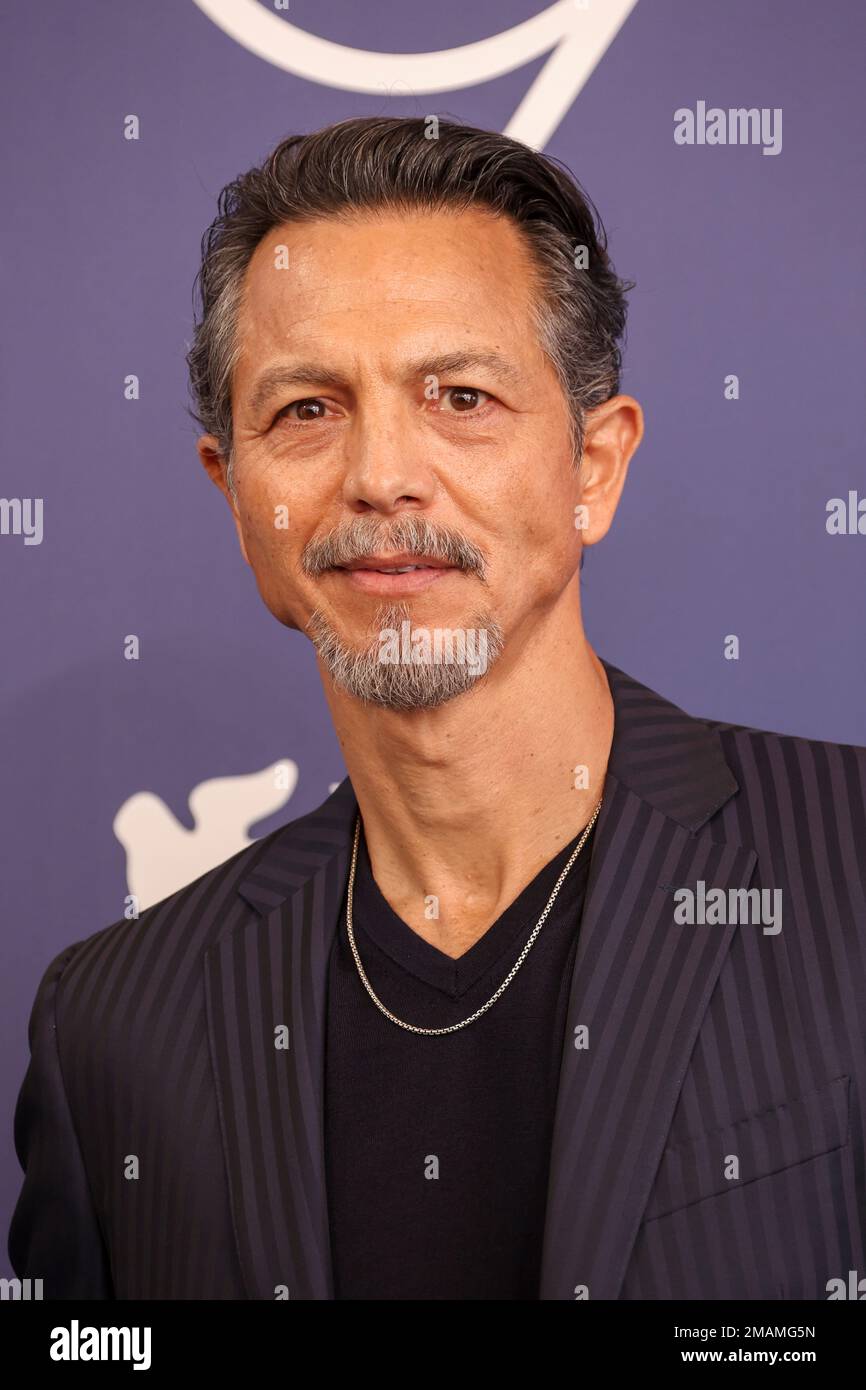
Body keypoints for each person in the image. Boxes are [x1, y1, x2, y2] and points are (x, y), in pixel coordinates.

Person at [9, 117, 866, 1300]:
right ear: (232, 486)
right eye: (305, 410)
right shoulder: (113, 1025)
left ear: (592, 468)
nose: (379, 475)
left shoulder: (846, 862)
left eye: (459, 395)